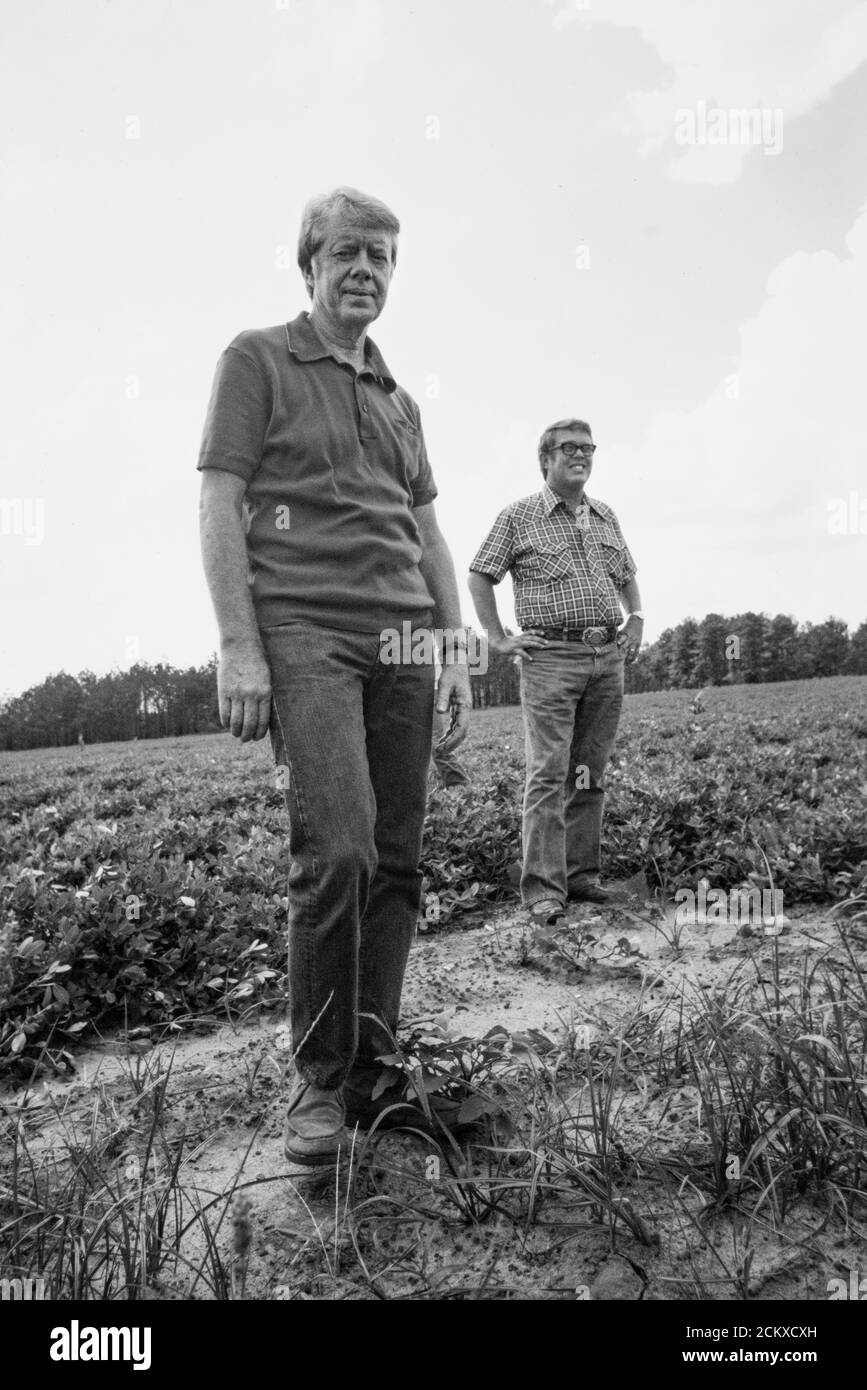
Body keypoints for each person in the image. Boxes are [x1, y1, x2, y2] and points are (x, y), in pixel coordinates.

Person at [197, 188, 470, 1182]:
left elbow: (429, 533)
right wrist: (240, 646)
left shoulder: (402, 400)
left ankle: (373, 1061)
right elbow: (220, 502)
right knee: (342, 846)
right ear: (308, 262)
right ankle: (319, 1077)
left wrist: (454, 645)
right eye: (349, 251)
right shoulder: (256, 359)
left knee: (398, 858)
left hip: (404, 640)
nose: (368, 269)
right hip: (305, 632)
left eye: (385, 257)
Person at [468, 418, 643, 926]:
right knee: (547, 773)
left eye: (589, 448)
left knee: (589, 772)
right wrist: (498, 638)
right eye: (570, 447)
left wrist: (635, 617)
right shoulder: (519, 516)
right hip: (551, 658)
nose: (581, 455)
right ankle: (544, 891)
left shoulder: (605, 514)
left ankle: (581, 877)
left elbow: (627, 575)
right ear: (545, 458)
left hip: (605, 657)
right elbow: (481, 573)